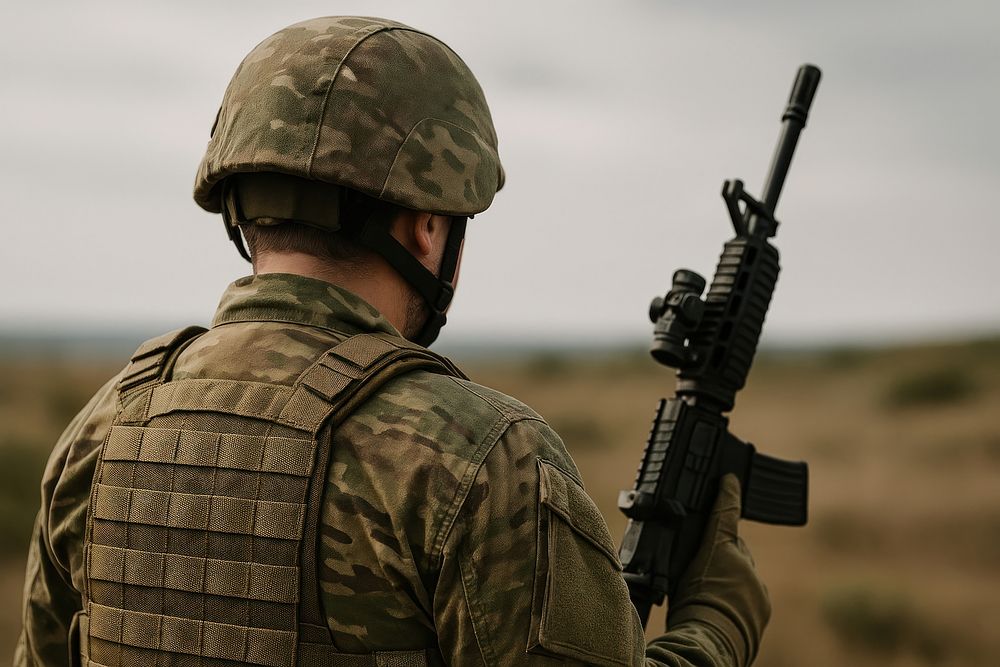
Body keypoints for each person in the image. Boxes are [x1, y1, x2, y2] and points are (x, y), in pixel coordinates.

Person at [15, 16, 770, 667]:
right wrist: (716, 623)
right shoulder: (481, 460)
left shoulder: (104, 428)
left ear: (241, 207)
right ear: (427, 225)